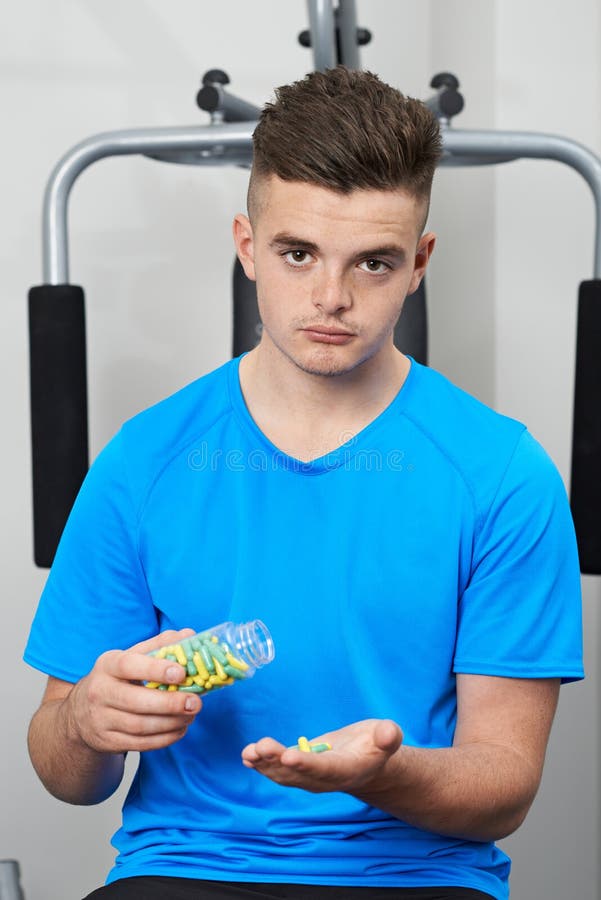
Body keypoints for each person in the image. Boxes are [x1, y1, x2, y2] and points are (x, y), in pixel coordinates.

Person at [24, 66, 583, 900]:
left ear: (418, 263)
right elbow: (66, 774)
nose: (331, 298)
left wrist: (381, 774)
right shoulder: (143, 461)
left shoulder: (502, 475)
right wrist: (86, 722)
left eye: (373, 263)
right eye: (297, 254)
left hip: (414, 876)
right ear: (248, 247)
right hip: (186, 865)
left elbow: (503, 787)